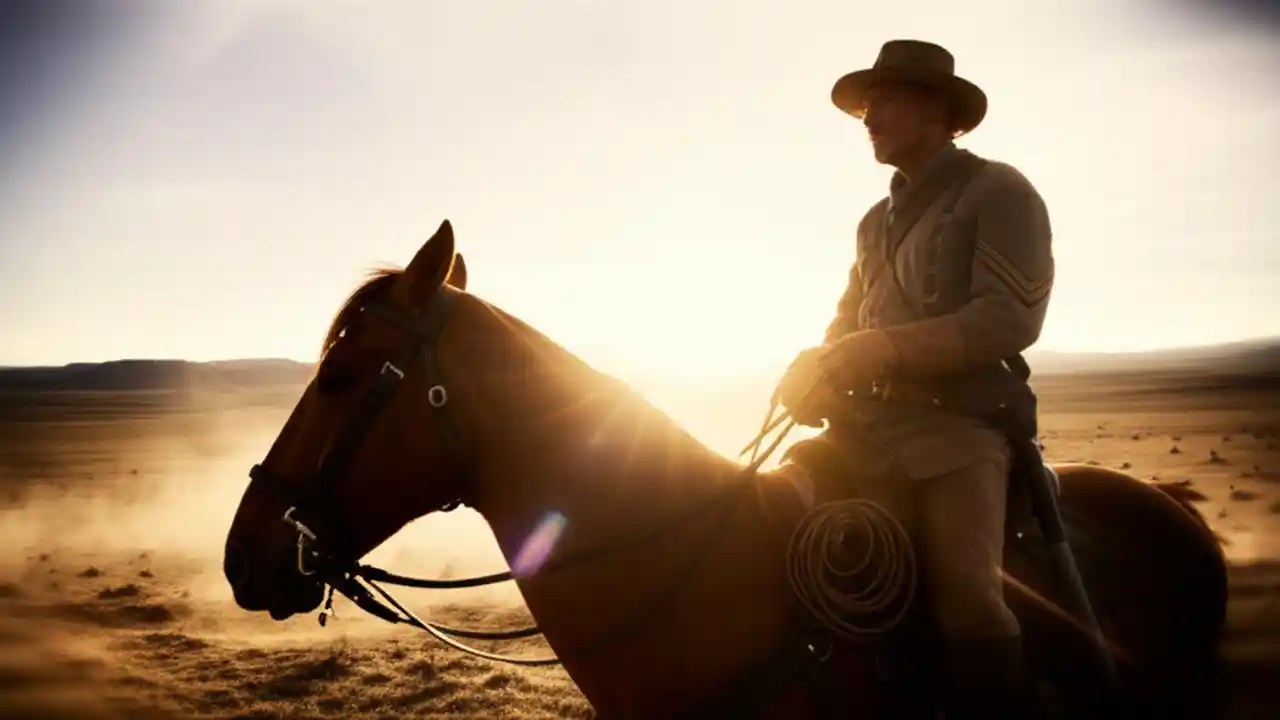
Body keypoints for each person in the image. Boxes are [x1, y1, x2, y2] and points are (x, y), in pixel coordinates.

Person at [778, 39, 1054, 717]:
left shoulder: (999, 189)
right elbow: (847, 323)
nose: (869, 118)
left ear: (938, 110)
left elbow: (1007, 318)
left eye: (885, 101)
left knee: (966, 598)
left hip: (957, 431)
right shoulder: (875, 223)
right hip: (862, 432)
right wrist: (812, 369)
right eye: (866, 106)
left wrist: (883, 352)